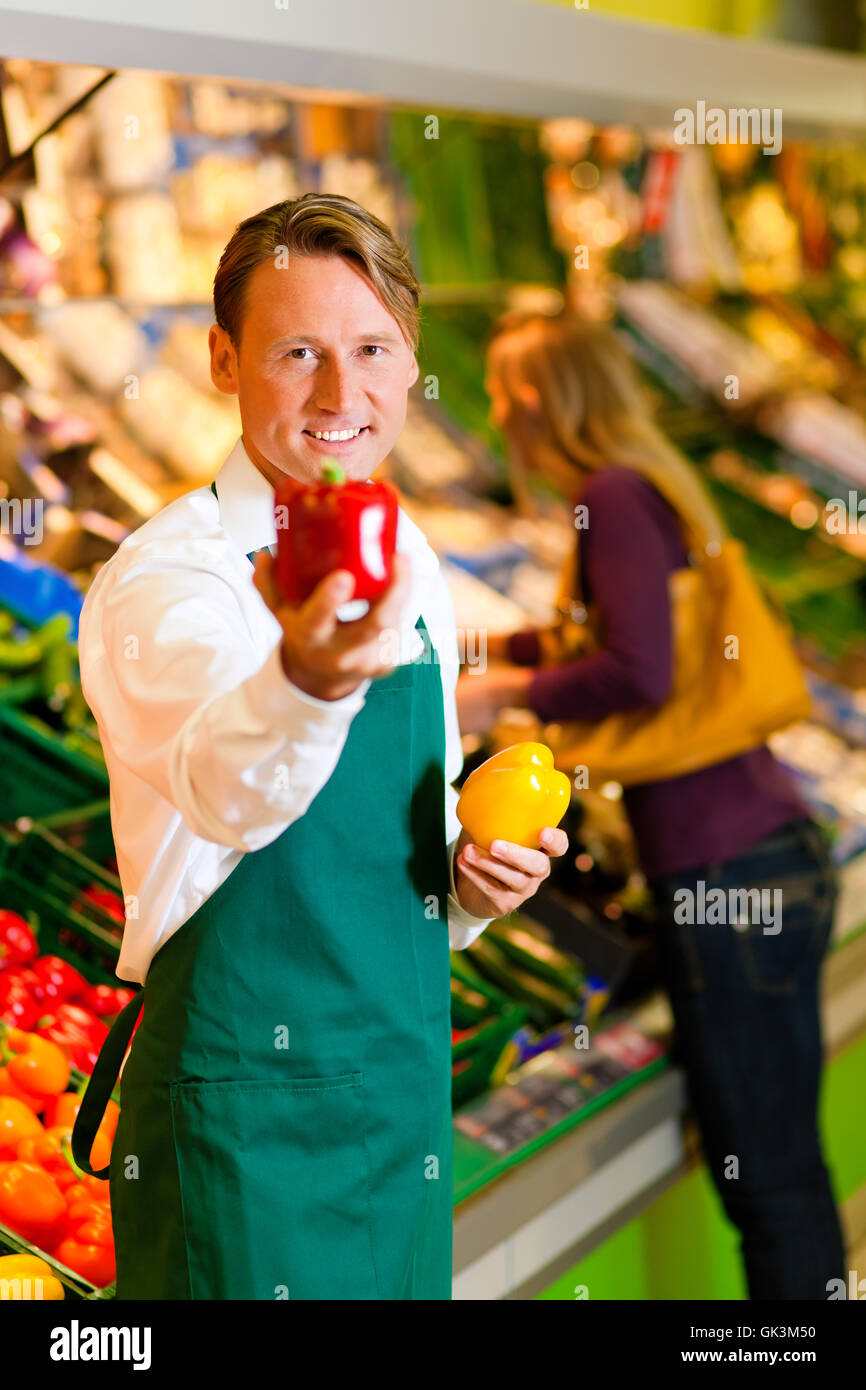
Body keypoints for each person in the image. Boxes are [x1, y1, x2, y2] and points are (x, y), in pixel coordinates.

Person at [70, 195, 568, 1301]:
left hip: (395, 1117)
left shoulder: (414, 562)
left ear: (409, 366)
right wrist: (307, 678)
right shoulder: (170, 580)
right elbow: (225, 787)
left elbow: (410, 856)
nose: (342, 395)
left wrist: (474, 882)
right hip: (244, 1135)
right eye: (298, 352)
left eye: (372, 350)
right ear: (222, 359)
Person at [457, 310, 846, 1301]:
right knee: (778, 1157)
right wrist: (496, 652)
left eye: (503, 395)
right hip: (762, 847)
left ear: (537, 400)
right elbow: (607, 633)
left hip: (726, 869)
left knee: (764, 1174)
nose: (496, 413)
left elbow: (636, 665)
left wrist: (505, 696)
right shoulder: (643, 480)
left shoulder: (612, 494)